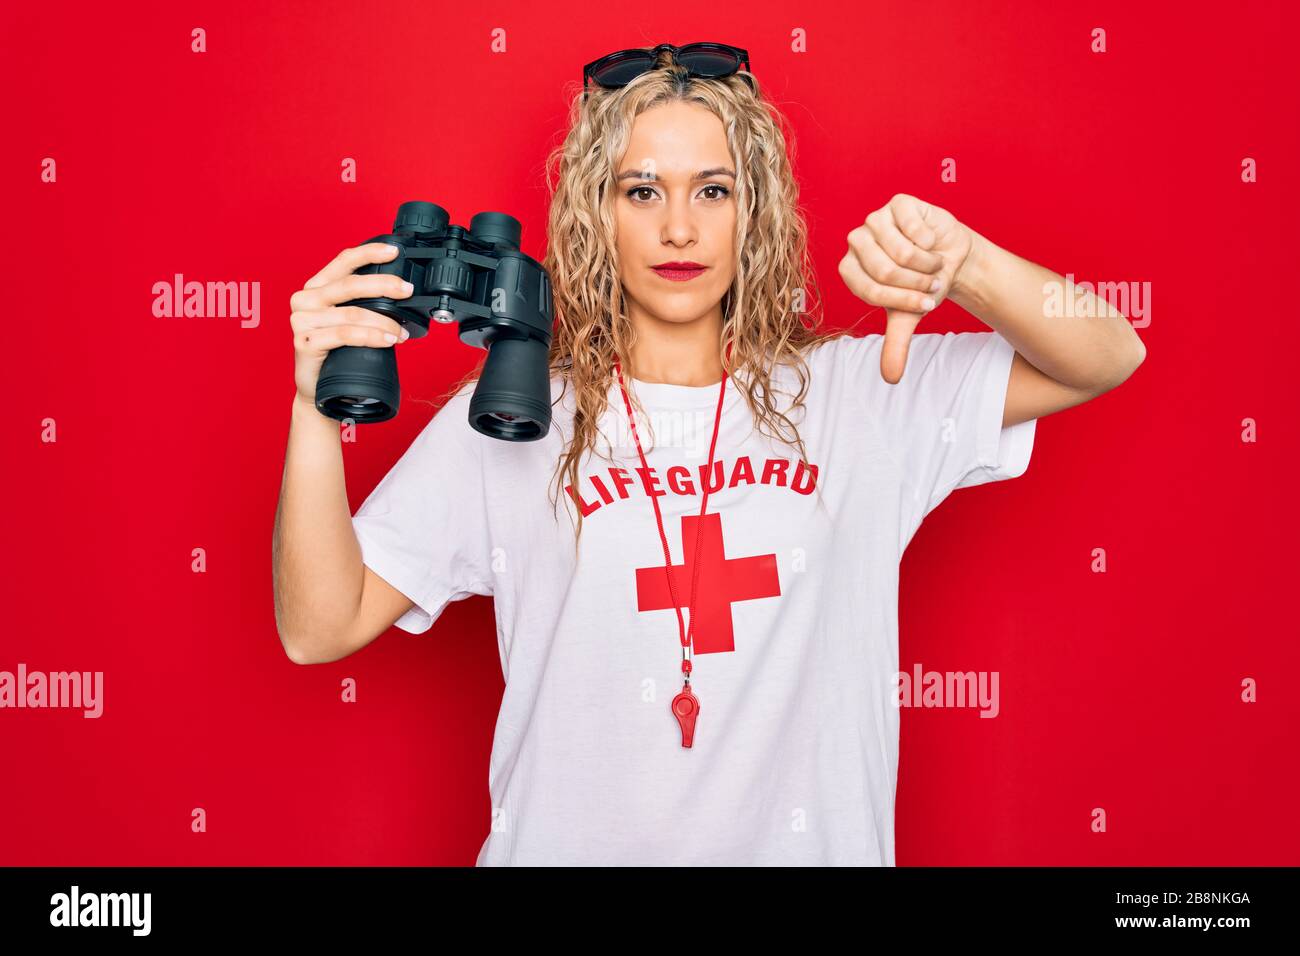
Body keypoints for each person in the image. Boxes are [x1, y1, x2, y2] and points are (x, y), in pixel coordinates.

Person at [272, 43, 1146, 866]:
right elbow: (319, 627)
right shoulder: (518, 415)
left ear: (753, 209)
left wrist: (963, 264)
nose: (680, 229)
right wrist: (316, 406)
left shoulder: (859, 395)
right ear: (596, 214)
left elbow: (1108, 354)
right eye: (642, 191)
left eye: (714, 190)